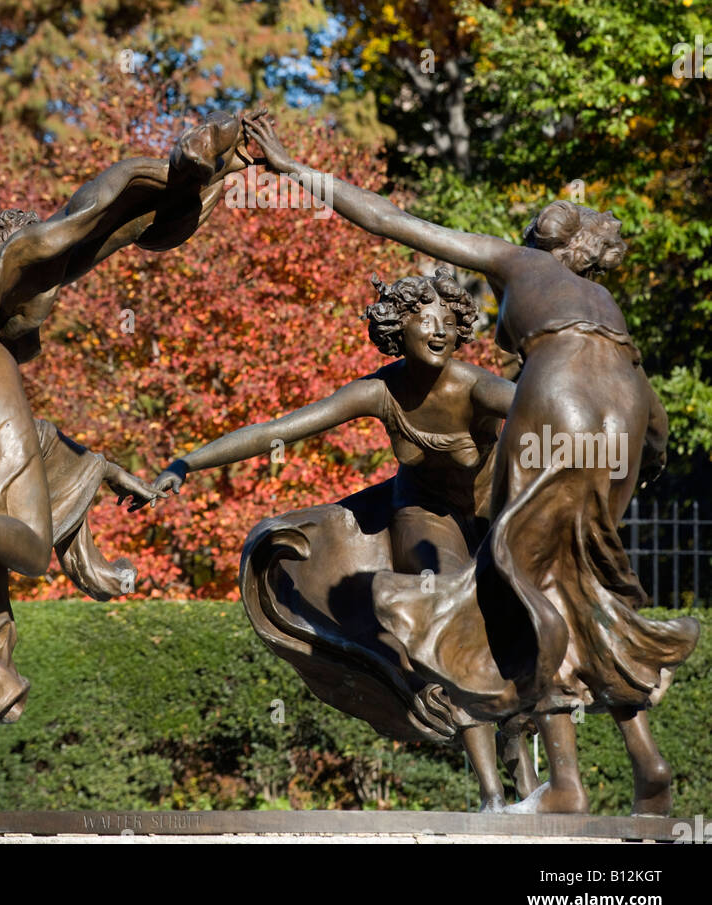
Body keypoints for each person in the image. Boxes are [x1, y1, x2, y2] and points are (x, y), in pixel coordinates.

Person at [241, 112, 699, 816]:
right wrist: (648, 461)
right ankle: (648, 763)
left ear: (558, 244)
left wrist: (290, 169)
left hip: (559, 394)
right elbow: (654, 417)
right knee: (593, 585)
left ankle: (569, 788)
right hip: (622, 409)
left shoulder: (519, 265)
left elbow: (389, 219)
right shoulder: (607, 306)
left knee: (530, 582)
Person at [0, 111, 251, 810]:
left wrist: (96, 467)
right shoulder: (2, 294)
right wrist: (192, 168)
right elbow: (89, 224)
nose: (46, 309)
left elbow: (30, 441)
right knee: (28, 547)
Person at [152, 268, 537, 809]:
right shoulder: (380, 391)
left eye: (447, 321)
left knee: (524, 630)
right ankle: (493, 794)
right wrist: (186, 463)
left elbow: (544, 409)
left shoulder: (475, 386)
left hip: (496, 516)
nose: (437, 330)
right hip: (425, 513)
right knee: (450, 621)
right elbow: (279, 431)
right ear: (395, 328)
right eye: (422, 319)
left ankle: (529, 771)